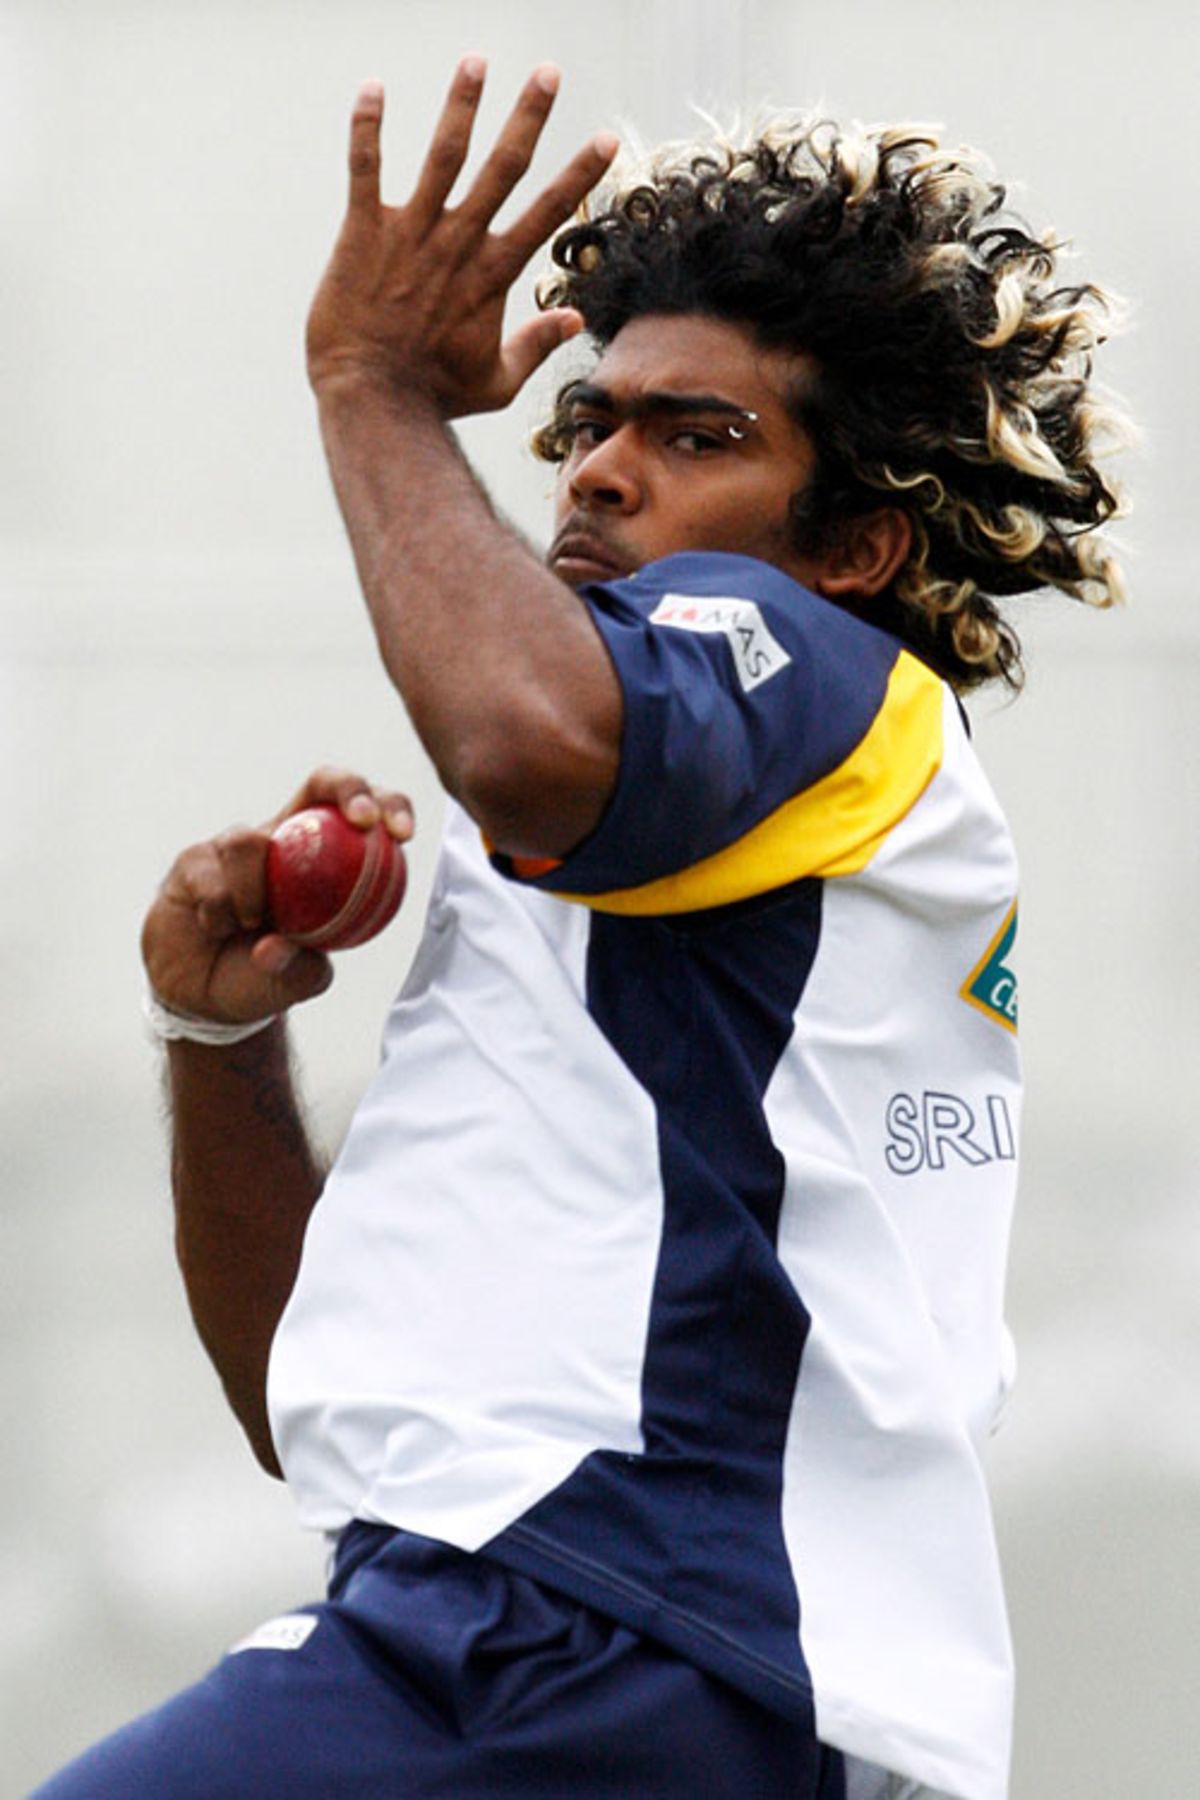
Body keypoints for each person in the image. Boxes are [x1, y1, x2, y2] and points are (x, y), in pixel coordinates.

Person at [37, 55, 1125, 1800]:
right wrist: (223, 1039)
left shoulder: (814, 671)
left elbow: (528, 739)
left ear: (849, 545)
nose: (603, 474)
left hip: (598, 1648)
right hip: (623, 1661)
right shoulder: (672, 848)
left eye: (698, 438)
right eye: (589, 424)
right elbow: (310, 1407)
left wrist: (373, 382)